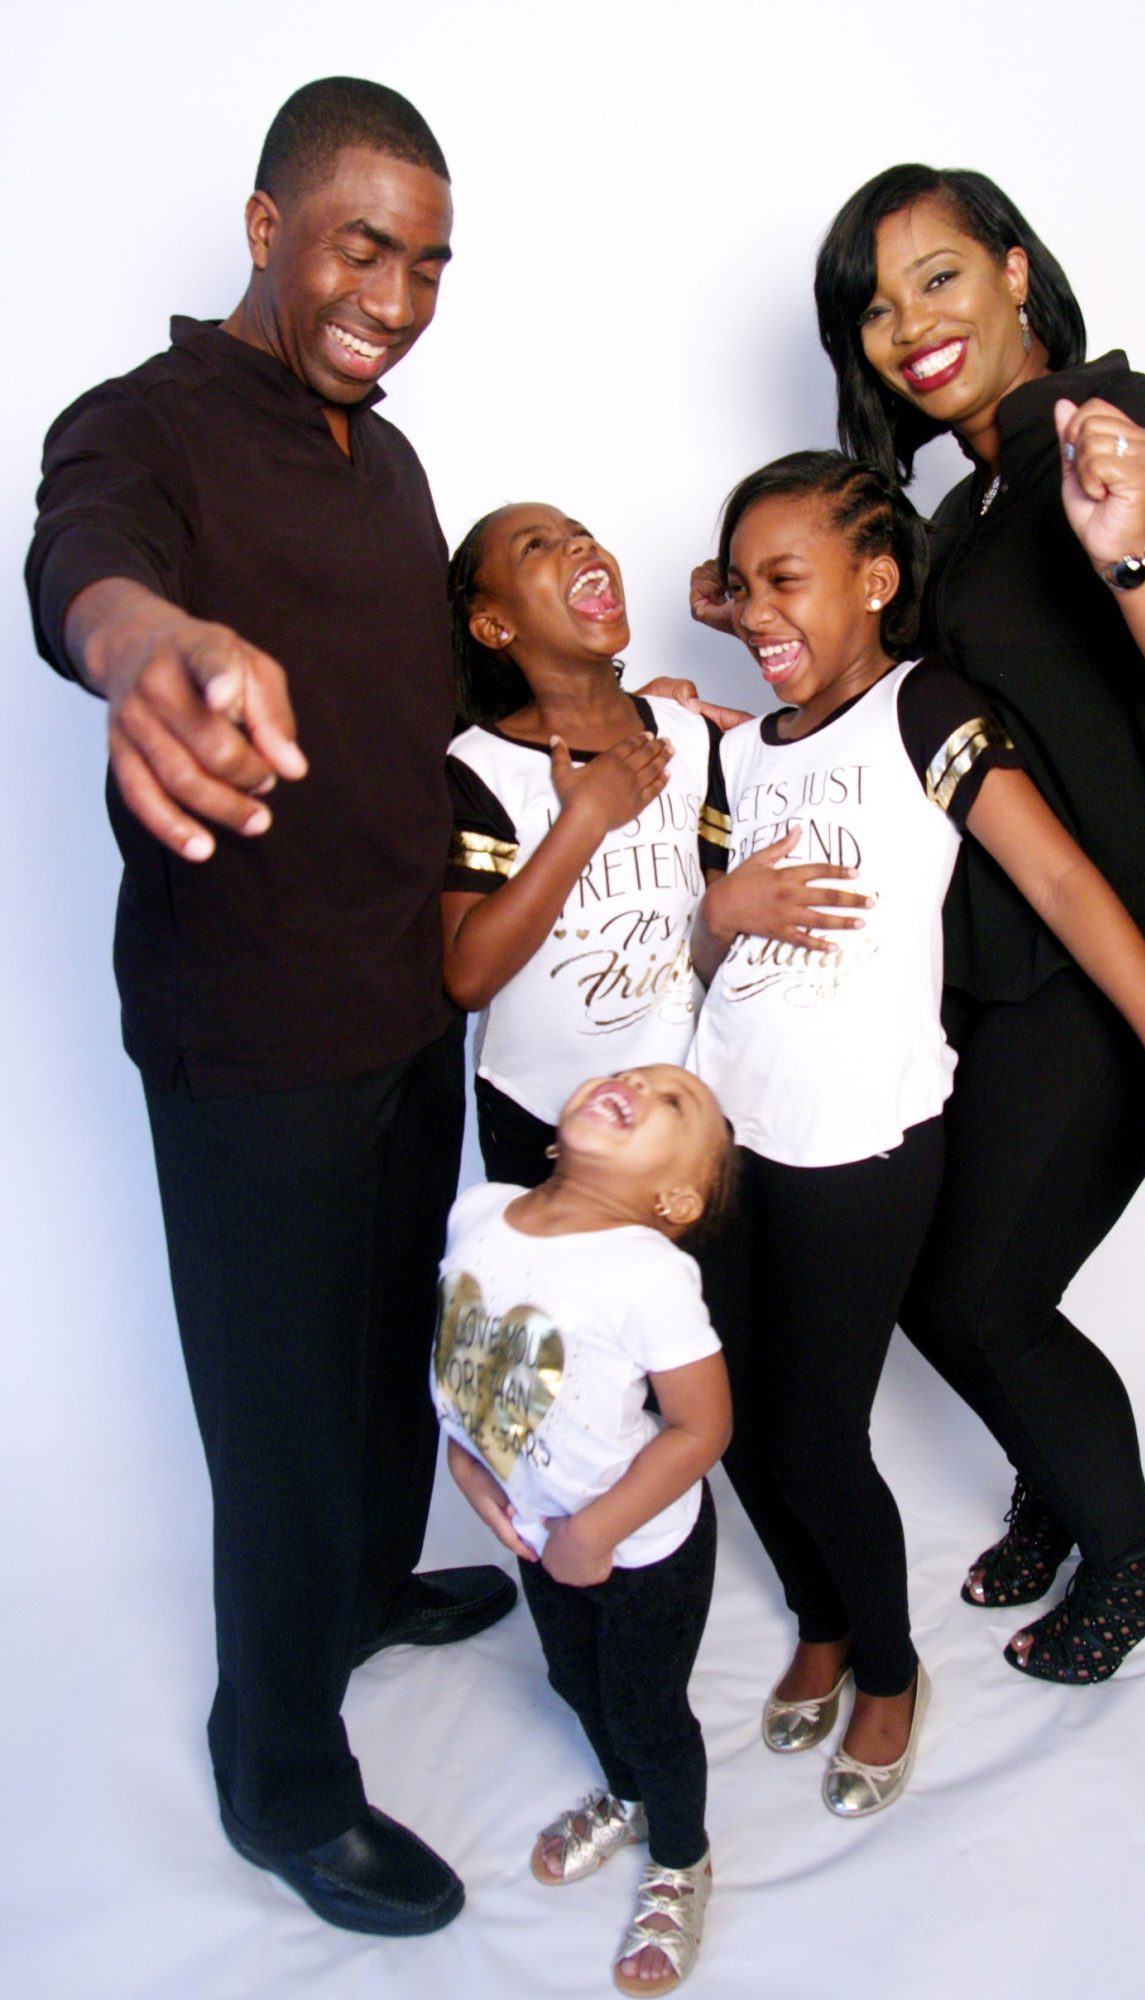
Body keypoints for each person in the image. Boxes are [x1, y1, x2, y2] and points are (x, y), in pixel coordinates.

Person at [22, 79, 517, 1934]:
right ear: (264, 229)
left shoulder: (386, 461)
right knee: (280, 1418)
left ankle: (362, 1593)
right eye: (359, 247)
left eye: (428, 263)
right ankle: (280, 1778)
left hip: (407, 1007)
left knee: (387, 1354)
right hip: (249, 1043)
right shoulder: (140, 423)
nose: (395, 296)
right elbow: (81, 562)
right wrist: (146, 643)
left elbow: (415, 708)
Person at [797, 164, 1145, 1683]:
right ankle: (1056, 1472)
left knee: (976, 1289)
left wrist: (1129, 549)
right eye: (874, 308)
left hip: (1131, 945)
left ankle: (1134, 1549)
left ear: (1015, 272)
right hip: (1016, 948)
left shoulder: (1134, 439)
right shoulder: (970, 506)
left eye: (939, 277)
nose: (909, 325)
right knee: (929, 1263)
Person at [688, 451, 1145, 1815]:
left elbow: (1059, 878)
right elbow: (702, 958)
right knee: (731, 1423)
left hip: (854, 1143)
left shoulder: (921, 707)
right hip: (720, 1131)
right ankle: (819, 1620)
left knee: (816, 1438)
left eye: (786, 579)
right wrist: (714, 915)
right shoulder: (735, 752)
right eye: (739, 586)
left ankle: (886, 1667)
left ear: (877, 580)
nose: (757, 611)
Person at [435, 1063, 735, 1994]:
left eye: (674, 1102)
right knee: (573, 1678)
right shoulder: (480, 1210)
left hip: (640, 1547)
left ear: (674, 1199)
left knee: (647, 1709)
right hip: (536, 1529)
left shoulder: (649, 1274)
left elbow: (702, 1429)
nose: (636, 1083)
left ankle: (680, 1859)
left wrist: (594, 1533)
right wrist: (465, 1464)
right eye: (632, 1073)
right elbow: (468, 1349)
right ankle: (628, 1796)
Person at [443, 503, 727, 1187]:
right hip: (540, 1116)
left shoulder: (689, 735)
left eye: (581, 534)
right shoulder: (479, 765)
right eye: (537, 546)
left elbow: (715, 929)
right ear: (494, 625)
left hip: (678, 1103)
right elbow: (467, 978)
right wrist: (586, 818)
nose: (578, 546)